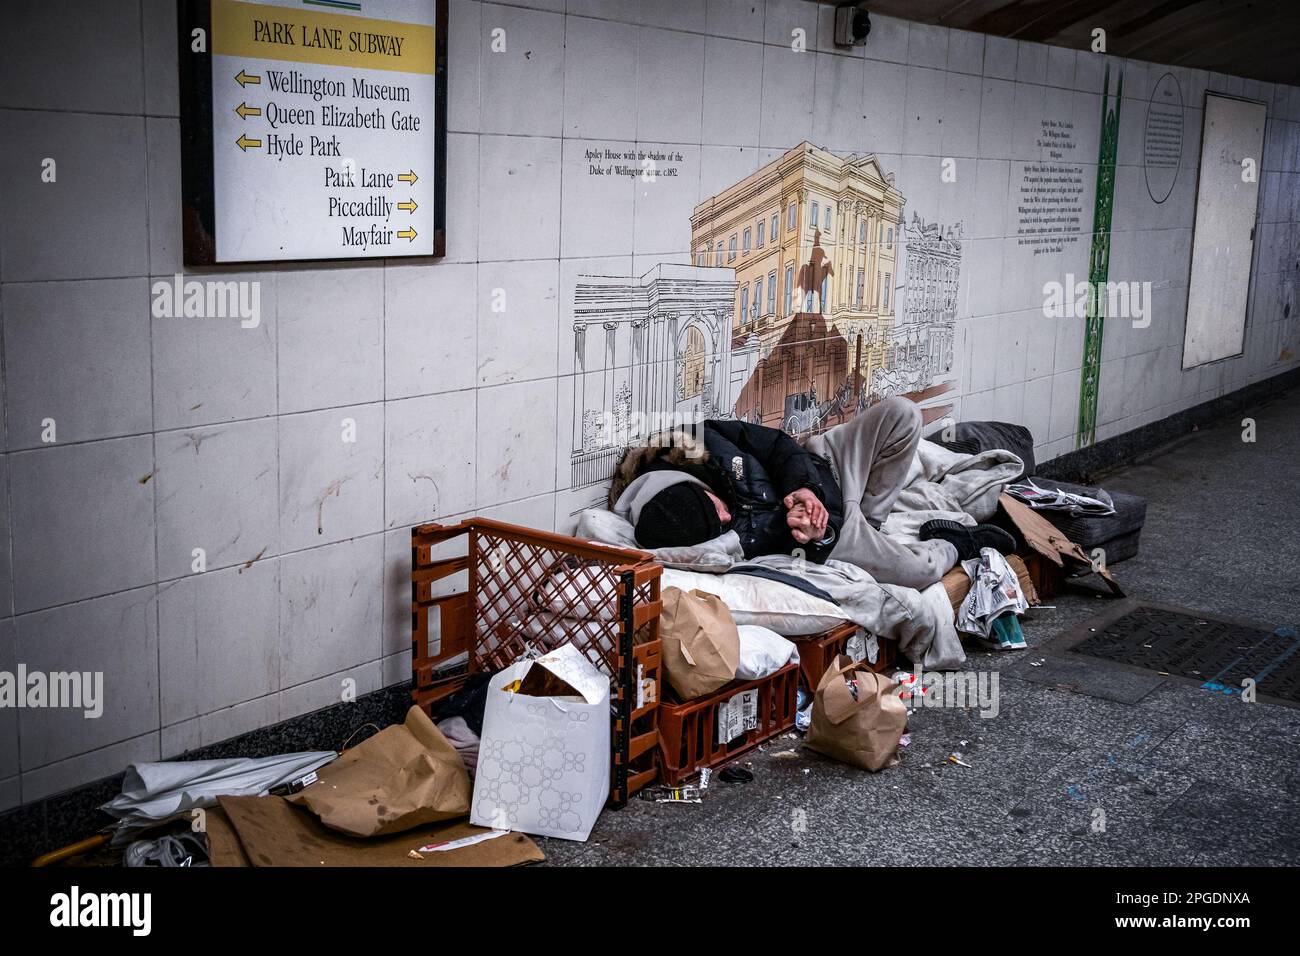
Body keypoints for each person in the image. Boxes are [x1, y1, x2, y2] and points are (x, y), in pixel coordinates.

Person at [608, 397, 1014, 590]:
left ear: (692, 485)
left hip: (823, 467)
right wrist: (818, 532)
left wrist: (801, 486)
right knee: (921, 572)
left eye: (717, 508)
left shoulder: (694, 442)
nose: (727, 518)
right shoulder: (713, 540)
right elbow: (765, 538)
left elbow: (776, 445)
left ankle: (873, 522)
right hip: (824, 531)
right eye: (719, 525)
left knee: (902, 414)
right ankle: (959, 543)